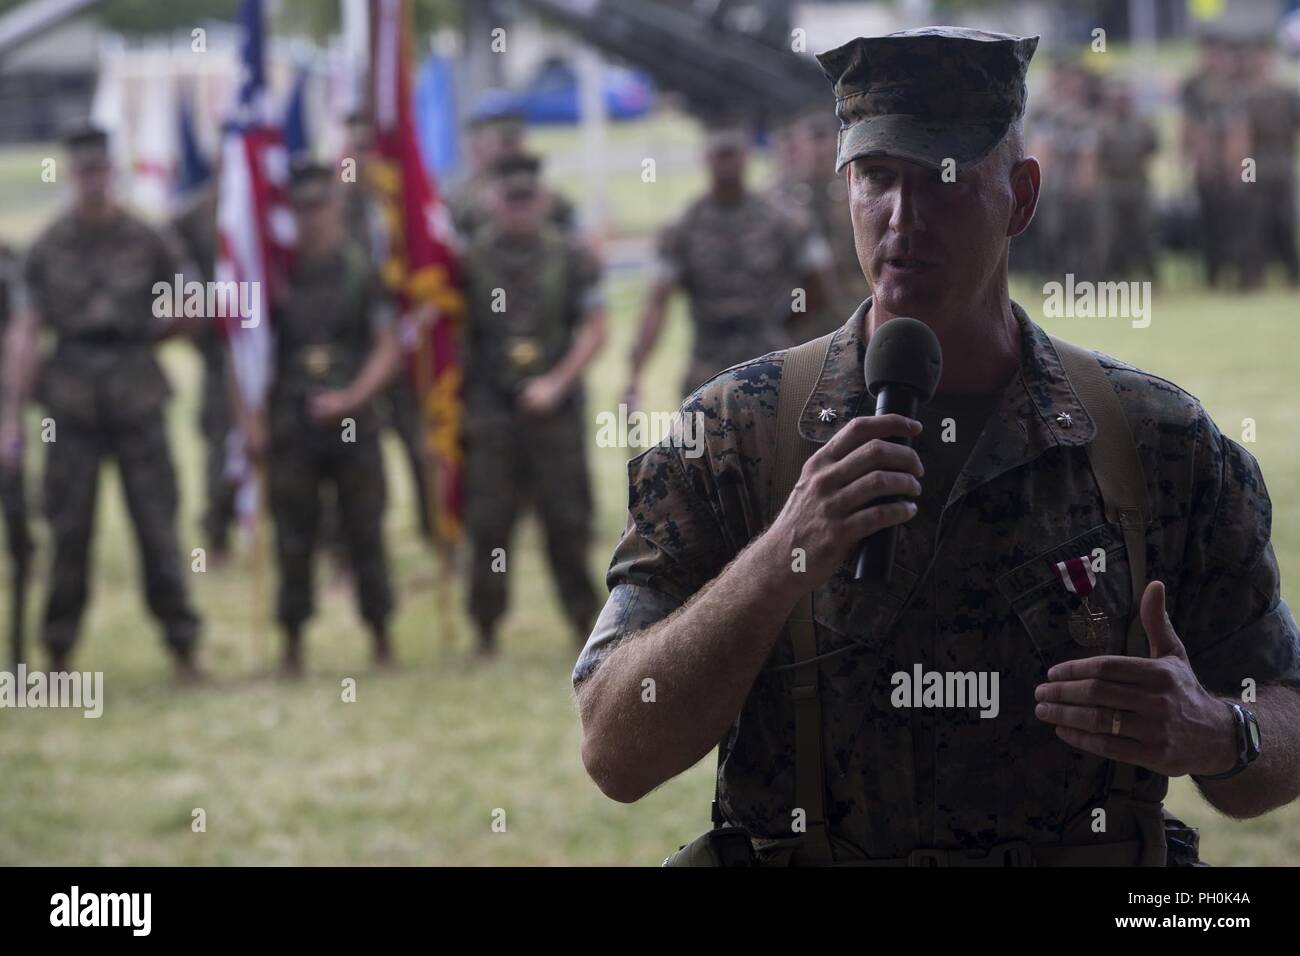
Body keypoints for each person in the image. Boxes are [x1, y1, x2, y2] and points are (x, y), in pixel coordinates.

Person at [574, 27, 1300, 866]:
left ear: (1020, 197)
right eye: (877, 178)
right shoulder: (736, 433)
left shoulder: (1155, 443)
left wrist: (1222, 733)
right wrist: (781, 557)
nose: (903, 218)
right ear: (846, 187)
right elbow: (615, 753)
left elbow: (1280, 721)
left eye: (945, 180)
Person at [0, 127, 202, 679]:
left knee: (158, 527)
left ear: (113, 173)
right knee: (69, 531)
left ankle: (183, 645)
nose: (93, 181)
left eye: (101, 171)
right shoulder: (48, 246)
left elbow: (192, 297)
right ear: (71, 175)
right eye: (83, 171)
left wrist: (150, 336)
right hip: (71, 407)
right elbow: (24, 329)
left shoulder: (146, 237)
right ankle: (58, 654)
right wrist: (12, 418)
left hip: (137, 397)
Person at [240, 162, 401, 675]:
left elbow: (389, 347)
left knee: (365, 531)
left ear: (337, 206)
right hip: (292, 429)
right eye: (302, 208)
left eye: (322, 205)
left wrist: (352, 398)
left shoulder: (362, 271)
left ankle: (381, 636)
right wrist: (251, 423)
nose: (313, 218)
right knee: (293, 537)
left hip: (355, 427)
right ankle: (291, 644)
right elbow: (242, 355)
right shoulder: (271, 278)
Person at [461, 153, 606, 657]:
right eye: (509, 199)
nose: (519, 209)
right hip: (492, 412)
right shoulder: (469, 260)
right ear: (492, 202)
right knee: (489, 525)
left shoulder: (569, 256)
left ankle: (584, 623)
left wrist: (556, 383)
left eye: (528, 199)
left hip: (554, 413)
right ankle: (484, 627)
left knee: (566, 521)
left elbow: (594, 328)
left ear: (542, 201)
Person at [627, 125, 833, 402]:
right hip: (707, 371)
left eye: (732, 154)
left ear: (746, 155)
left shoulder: (784, 221)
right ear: (706, 158)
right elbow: (658, 302)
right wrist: (635, 373)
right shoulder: (683, 228)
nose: (726, 163)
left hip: (771, 367)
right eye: (719, 155)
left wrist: (783, 326)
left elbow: (817, 286)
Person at [172, 178, 238, 560]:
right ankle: (217, 532)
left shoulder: (275, 201)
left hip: (280, 341)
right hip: (221, 348)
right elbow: (174, 282)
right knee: (221, 441)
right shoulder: (192, 218)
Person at [0, 244, 33, 662]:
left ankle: (18, 663)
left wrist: (11, 419)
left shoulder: (8, 267)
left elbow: (21, 336)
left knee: (20, 545)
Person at [1097, 79, 1158, 279]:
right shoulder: (1102, 126)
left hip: (1137, 184)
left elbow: (1153, 149)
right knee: (1109, 234)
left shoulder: (1142, 125)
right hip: (1111, 186)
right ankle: (1109, 277)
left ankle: (1151, 276)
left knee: (1144, 231)